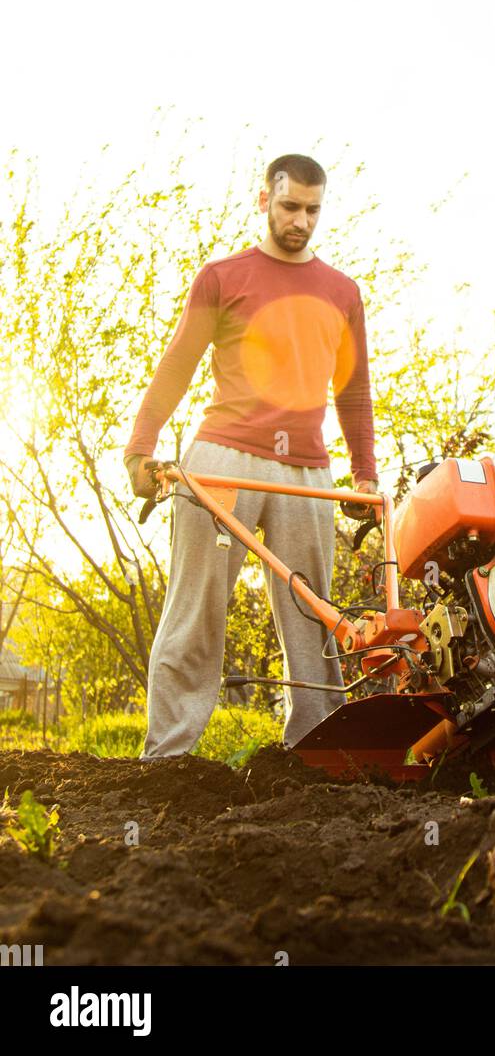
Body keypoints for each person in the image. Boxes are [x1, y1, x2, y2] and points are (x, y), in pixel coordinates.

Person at [124, 153, 378, 759]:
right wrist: (141, 448)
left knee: (313, 616)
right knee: (197, 611)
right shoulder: (222, 276)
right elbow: (177, 365)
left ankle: (318, 757)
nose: (301, 220)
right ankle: (168, 758)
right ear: (264, 200)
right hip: (222, 465)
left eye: (313, 210)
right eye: (290, 206)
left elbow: (354, 390)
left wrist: (365, 472)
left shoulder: (342, 293)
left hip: (308, 473)